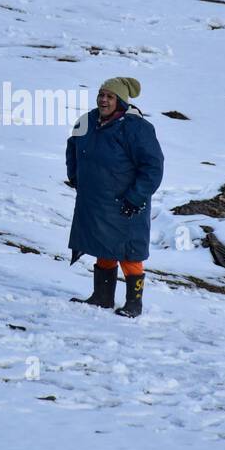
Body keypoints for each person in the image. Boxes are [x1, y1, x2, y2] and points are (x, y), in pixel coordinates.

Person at [65, 77, 164, 317]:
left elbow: (153, 166)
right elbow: (72, 147)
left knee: (129, 251)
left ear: (120, 100)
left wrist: (136, 197)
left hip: (126, 201)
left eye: (109, 96)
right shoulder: (86, 121)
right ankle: (102, 297)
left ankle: (133, 304)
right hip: (96, 200)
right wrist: (77, 178)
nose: (103, 100)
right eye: (101, 95)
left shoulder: (136, 127)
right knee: (103, 244)